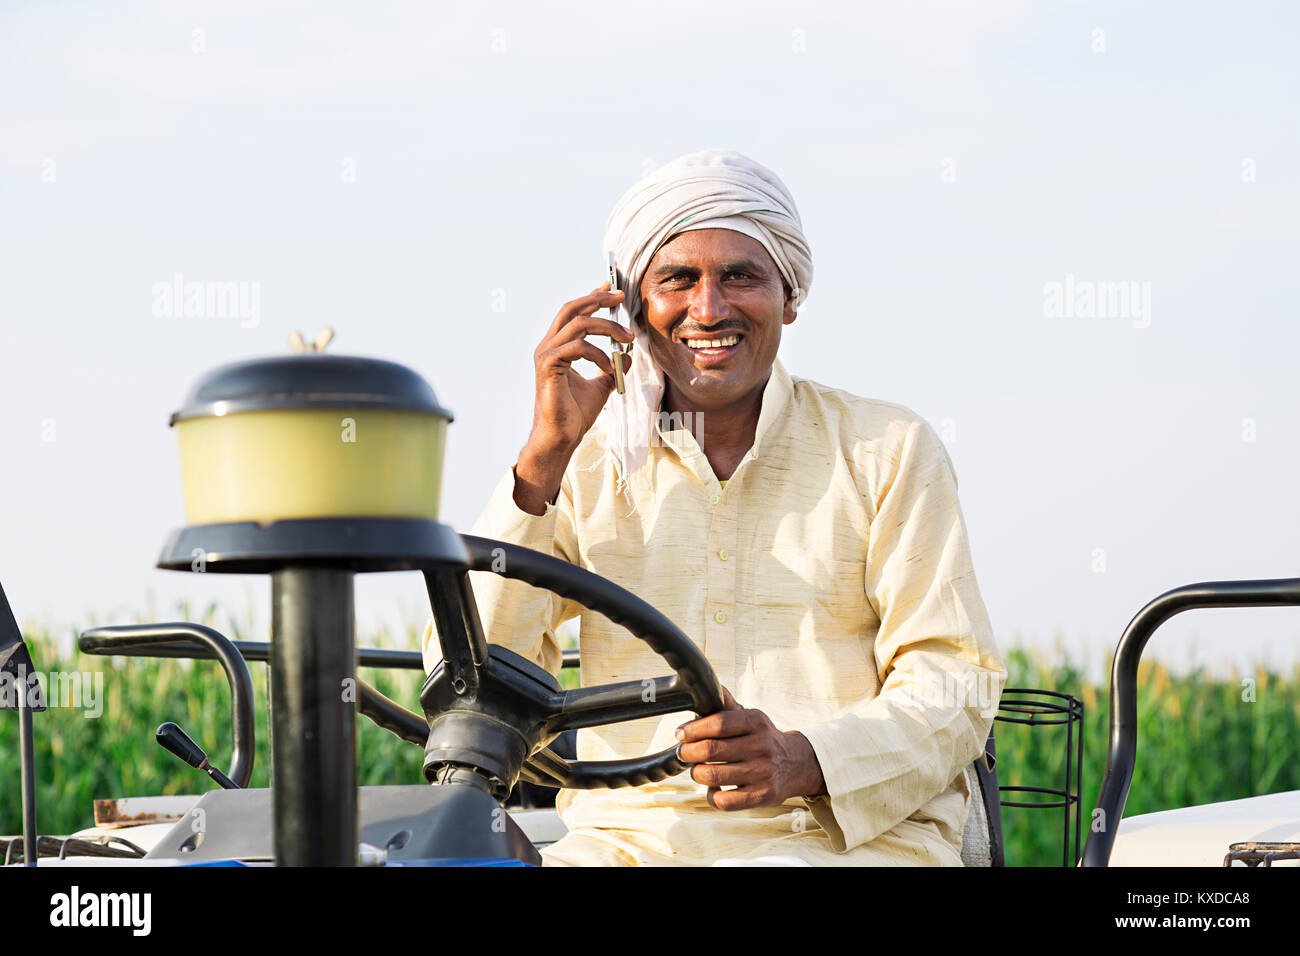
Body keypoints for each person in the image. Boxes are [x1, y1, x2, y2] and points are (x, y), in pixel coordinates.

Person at [421, 148, 1006, 866]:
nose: (709, 308)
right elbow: (470, 680)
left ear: (789, 296)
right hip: (625, 843)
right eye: (678, 280)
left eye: (740, 277)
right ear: (632, 306)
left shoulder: (885, 448)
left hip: (848, 840)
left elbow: (955, 682)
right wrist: (545, 455)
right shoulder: (583, 462)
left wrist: (802, 757)